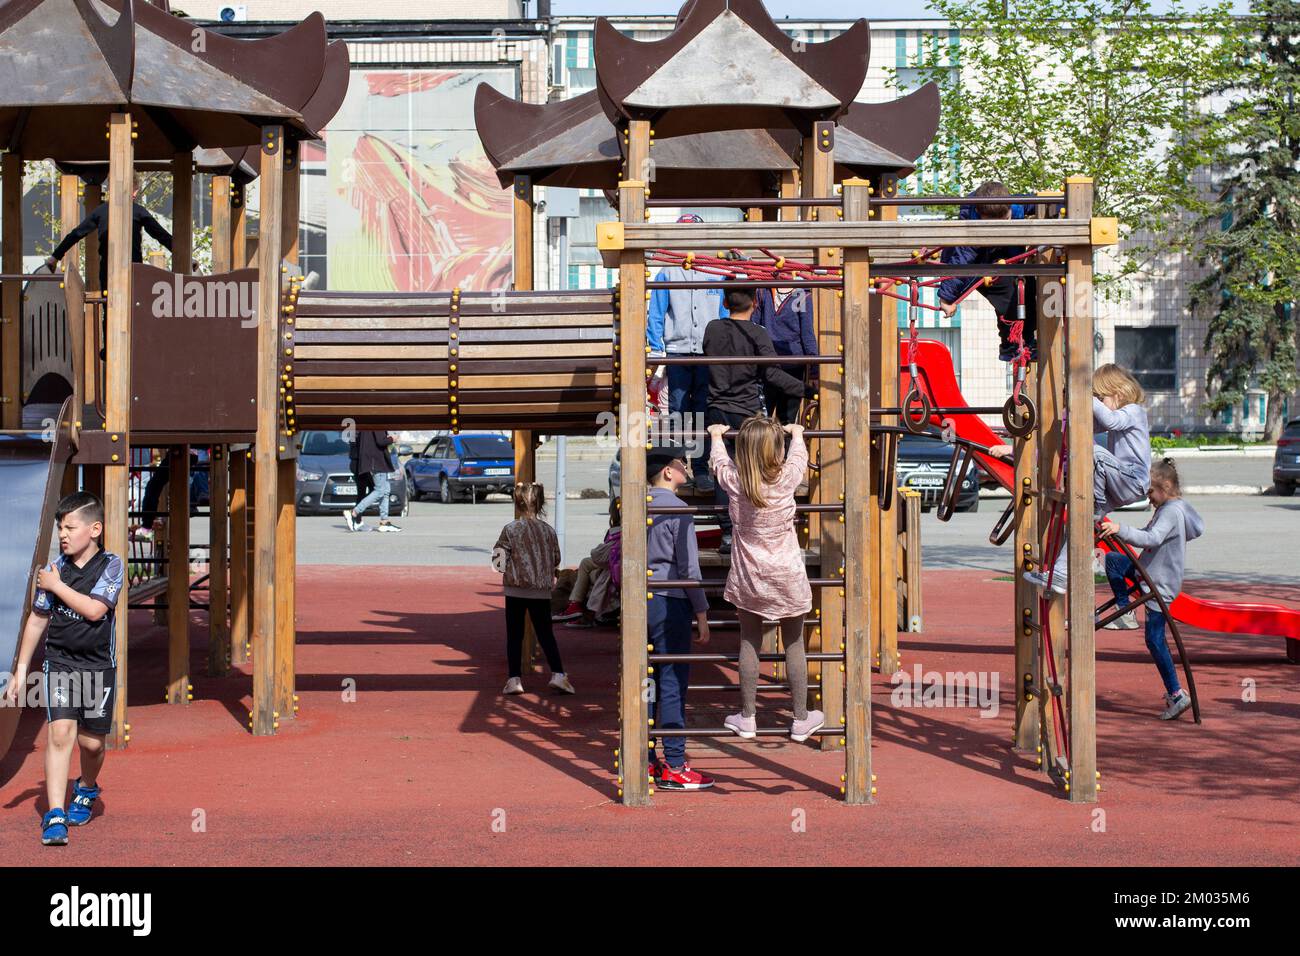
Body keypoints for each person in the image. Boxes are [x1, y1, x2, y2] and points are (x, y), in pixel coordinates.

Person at [4, 492, 124, 846]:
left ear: (95, 529)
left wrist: (57, 587)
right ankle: (55, 814)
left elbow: (94, 611)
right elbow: (37, 621)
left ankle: (86, 787)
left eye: (71, 527)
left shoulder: (112, 565)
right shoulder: (54, 569)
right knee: (59, 736)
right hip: (60, 663)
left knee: (91, 744)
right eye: (60, 527)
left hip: (99, 665)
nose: (63, 534)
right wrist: (22, 669)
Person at [708, 416, 824, 742]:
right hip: (787, 573)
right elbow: (799, 460)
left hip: (750, 575)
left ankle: (747, 716)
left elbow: (718, 463)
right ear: (777, 451)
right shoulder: (786, 478)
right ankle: (801, 718)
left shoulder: (736, 480)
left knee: (749, 641)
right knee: (795, 643)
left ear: (743, 450)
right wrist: (798, 434)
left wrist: (717, 435)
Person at [1015, 364, 1151, 595]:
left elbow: (1110, 421)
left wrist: (1084, 394)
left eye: (1101, 397)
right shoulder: (1116, 412)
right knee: (1079, 523)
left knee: (1093, 451)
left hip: (1132, 478)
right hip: (1116, 483)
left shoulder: (1134, 411)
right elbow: (1087, 426)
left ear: (1117, 392)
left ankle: (1093, 504)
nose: (1098, 402)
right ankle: (1060, 574)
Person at [702, 287, 811, 553]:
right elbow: (773, 375)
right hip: (746, 411)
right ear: (756, 301)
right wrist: (806, 389)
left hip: (716, 407)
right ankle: (750, 526)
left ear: (725, 302)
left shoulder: (712, 329)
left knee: (722, 470)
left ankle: (727, 533)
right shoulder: (758, 333)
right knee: (749, 468)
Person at [1099, 459, 1202, 720]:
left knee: (1154, 640)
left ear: (1165, 487)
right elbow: (1182, 530)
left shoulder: (1170, 511)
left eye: (1150, 492)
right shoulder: (1176, 506)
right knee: (1113, 561)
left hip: (1158, 580)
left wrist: (1121, 529)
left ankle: (1176, 694)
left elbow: (1153, 538)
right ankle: (1124, 609)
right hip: (1152, 571)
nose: (1149, 498)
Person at [646, 445, 713, 791]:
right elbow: (689, 567)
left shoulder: (637, 505)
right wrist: (701, 612)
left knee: (645, 682)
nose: (687, 468)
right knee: (672, 680)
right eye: (682, 464)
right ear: (668, 472)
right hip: (672, 598)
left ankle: (644, 759)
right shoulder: (678, 508)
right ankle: (674, 761)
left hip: (641, 597)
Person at [647, 214, 729, 493]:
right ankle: (679, 465)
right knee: (679, 410)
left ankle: (703, 467)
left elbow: (722, 314)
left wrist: (723, 347)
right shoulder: (667, 272)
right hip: (678, 352)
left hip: (708, 354)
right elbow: (656, 314)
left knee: (704, 409)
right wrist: (656, 350)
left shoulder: (714, 271)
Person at [936, 180, 1038, 363]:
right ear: (981, 216)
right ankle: (1011, 344)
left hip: (1008, 260)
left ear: (1009, 209)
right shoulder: (971, 225)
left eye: (1005, 221)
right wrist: (947, 298)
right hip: (980, 264)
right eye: (992, 225)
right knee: (1007, 291)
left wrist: (1063, 203)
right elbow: (961, 262)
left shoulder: (1016, 206)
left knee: (1029, 287)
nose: (1000, 229)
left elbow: (1040, 201)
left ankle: (1027, 340)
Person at [493, 483, 574, 696]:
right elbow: (556, 558)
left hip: (515, 589)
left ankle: (514, 679)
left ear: (517, 503)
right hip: (541, 589)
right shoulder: (548, 531)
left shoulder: (510, 529)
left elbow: (498, 562)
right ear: (540, 504)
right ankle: (558, 674)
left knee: (514, 634)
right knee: (545, 633)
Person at [46, 177, 173, 291]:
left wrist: (55, 257)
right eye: (135, 190)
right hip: (133, 268)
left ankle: (106, 317)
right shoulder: (138, 211)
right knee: (134, 308)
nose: (135, 194)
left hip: (108, 268)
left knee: (108, 306)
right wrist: (187, 257)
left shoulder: (101, 211)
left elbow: (76, 234)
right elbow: (161, 235)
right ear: (132, 191)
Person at [753, 288, 818, 426]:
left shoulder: (800, 295)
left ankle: (785, 447)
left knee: (787, 422)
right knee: (762, 420)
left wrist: (814, 372)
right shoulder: (763, 292)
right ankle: (764, 448)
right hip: (767, 367)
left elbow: (807, 334)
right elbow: (755, 326)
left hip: (792, 367)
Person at [554, 498, 621, 629]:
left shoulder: (619, 532)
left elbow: (599, 556)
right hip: (614, 563)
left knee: (594, 571)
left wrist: (595, 550)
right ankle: (576, 605)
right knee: (586, 563)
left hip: (615, 565)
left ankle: (578, 606)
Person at [345, 429, 402, 533]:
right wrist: (392, 438)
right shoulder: (377, 423)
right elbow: (381, 441)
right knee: (380, 490)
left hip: (376, 461)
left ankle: (384, 522)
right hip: (377, 461)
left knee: (385, 490)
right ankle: (354, 512)